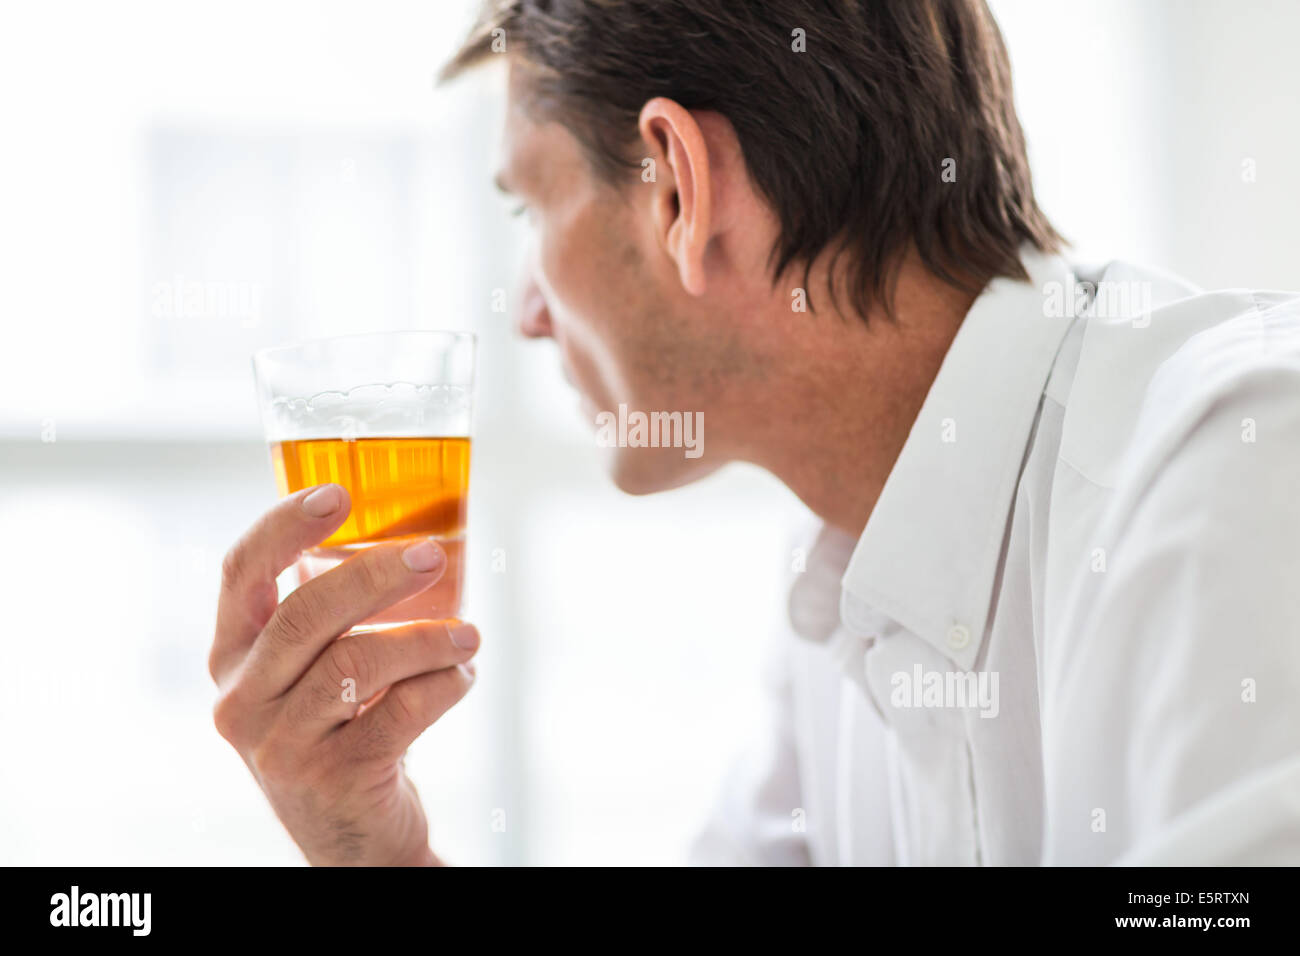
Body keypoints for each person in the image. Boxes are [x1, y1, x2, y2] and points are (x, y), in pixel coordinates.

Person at [208, 0, 1300, 865]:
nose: (527, 313)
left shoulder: (1236, 467)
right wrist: (374, 852)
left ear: (677, 187)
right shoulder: (843, 583)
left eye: (527, 210)